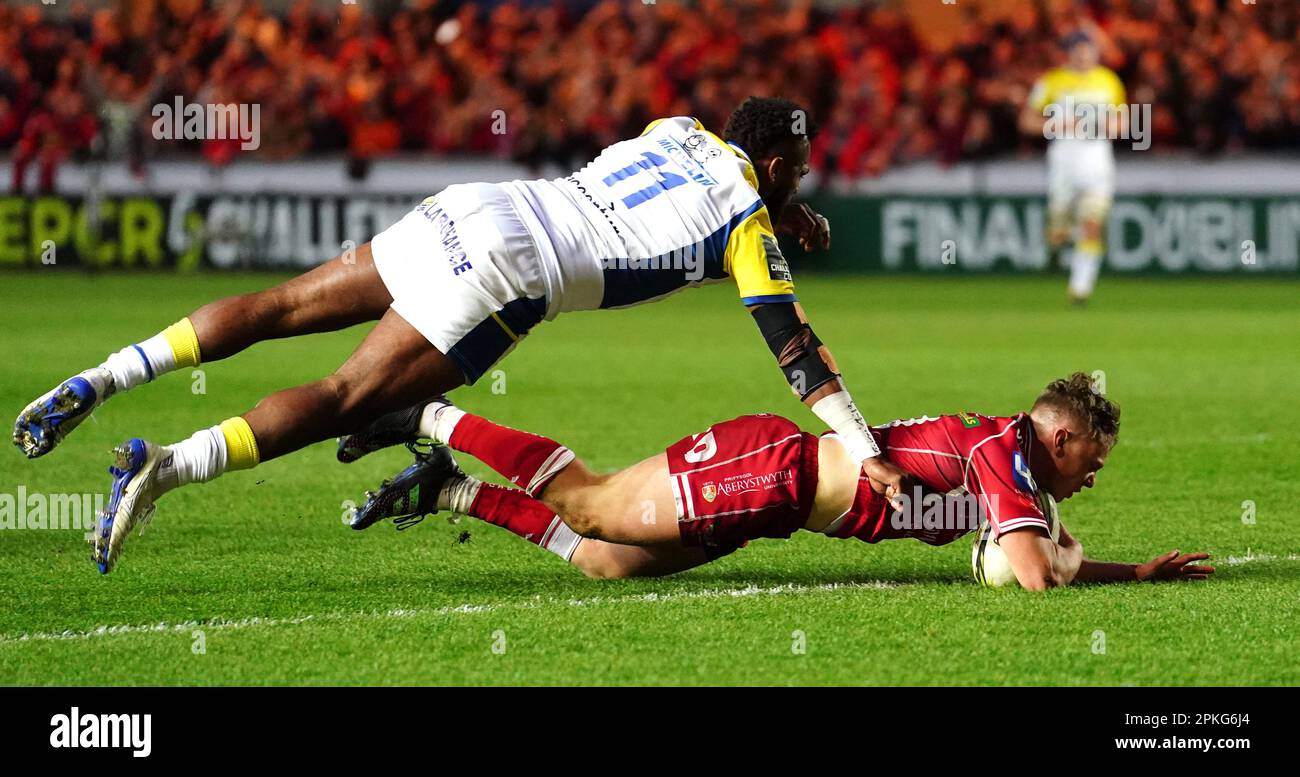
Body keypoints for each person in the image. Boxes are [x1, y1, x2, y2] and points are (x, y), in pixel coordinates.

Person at [12, 97, 907, 572]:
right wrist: (862, 446)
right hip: (516, 270)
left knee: (285, 303)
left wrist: (787, 211)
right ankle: (164, 466)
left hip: (481, 203)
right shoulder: (751, 225)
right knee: (343, 397)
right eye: (800, 171)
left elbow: (691, 207)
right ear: (782, 167)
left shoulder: (675, 127)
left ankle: (103, 374)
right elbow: (793, 345)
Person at [350, 374, 1213, 590]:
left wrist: (1127, 572)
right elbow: (1030, 569)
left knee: (607, 562)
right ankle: (432, 415)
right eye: (1089, 462)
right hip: (767, 471)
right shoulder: (1002, 455)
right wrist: (1064, 563)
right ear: (1058, 435)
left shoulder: (1016, 470)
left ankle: (449, 490)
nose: (1091, 480)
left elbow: (1034, 542)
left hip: (777, 506)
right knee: (586, 498)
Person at [1019, 30, 1127, 304]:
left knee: (1092, 223)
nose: (1083, 53)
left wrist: (1107, 127)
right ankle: (1056, 245)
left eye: (1088, 48)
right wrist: (1056, 125)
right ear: (1069, 52)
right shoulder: (1052, 81)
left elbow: (1124, 122)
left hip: (1097, 164)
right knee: (1060, 230)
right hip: (1064, 163)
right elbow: (1027, 121)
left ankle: (1080, 287)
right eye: (1077, 48)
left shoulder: (1108, 81)